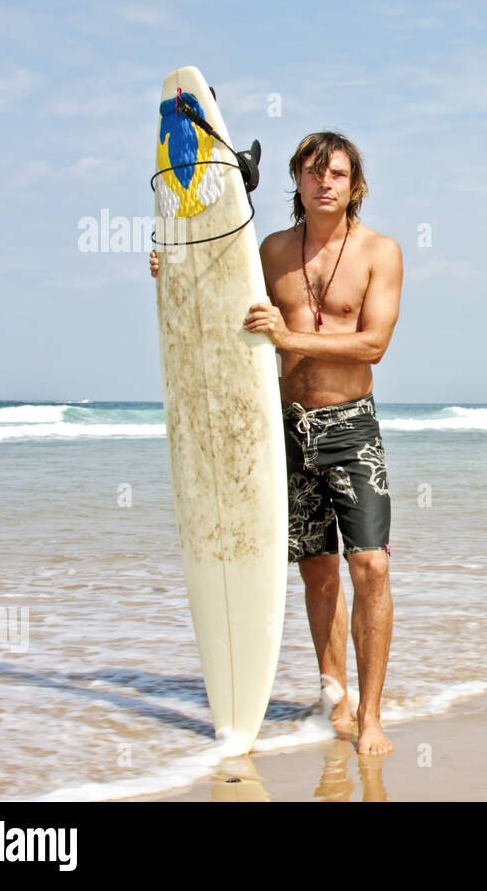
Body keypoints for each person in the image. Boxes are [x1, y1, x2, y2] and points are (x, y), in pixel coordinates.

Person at [151, 131, 403, 756]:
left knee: (369, 566)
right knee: (317, 572)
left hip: (350, 429)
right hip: (283, 430)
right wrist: (171, 269)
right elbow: (221, 300)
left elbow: (373, 344)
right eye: (314, 173)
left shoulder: (381, 252)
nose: (326, 183)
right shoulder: (270, 251)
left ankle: (371, 715)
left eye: (338, 174)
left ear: (355, 184)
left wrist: (291, 341)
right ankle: (334, 698)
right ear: (295, 179)